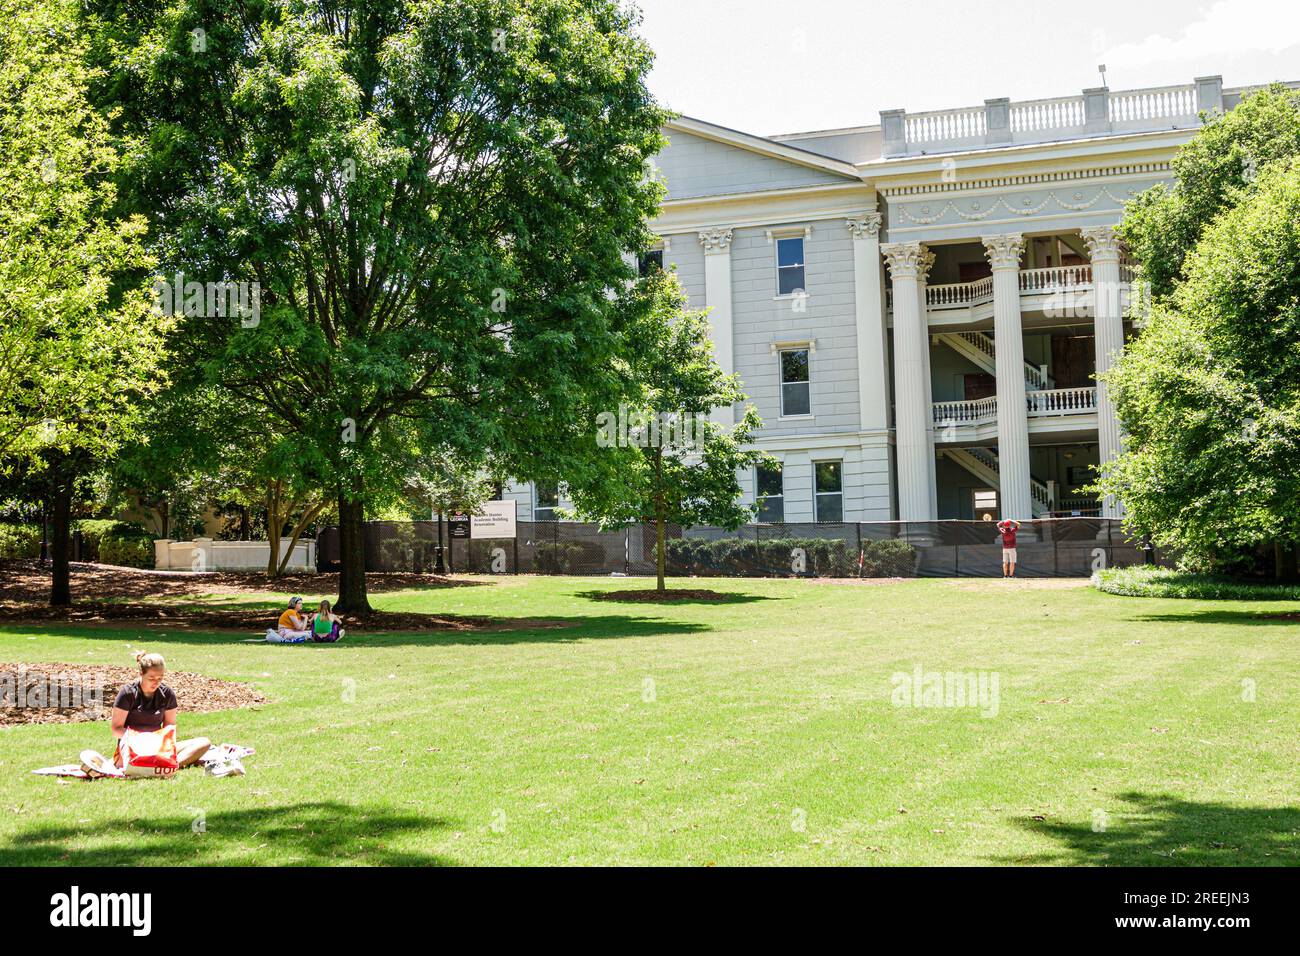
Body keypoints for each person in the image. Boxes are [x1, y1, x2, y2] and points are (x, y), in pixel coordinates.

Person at [110, 651, 210, 769]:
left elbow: (169, 729)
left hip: (157, 745)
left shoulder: (167, 693)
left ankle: (170, 766)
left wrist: (160, 744)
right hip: (131, 745)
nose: (156, 682)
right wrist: (143, 738)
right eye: (151, 678)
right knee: (129, 763)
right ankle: (163, 765)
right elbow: (116, 729)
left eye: (160, 678)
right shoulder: (128, 693)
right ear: (141, 673)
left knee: (204, 743)